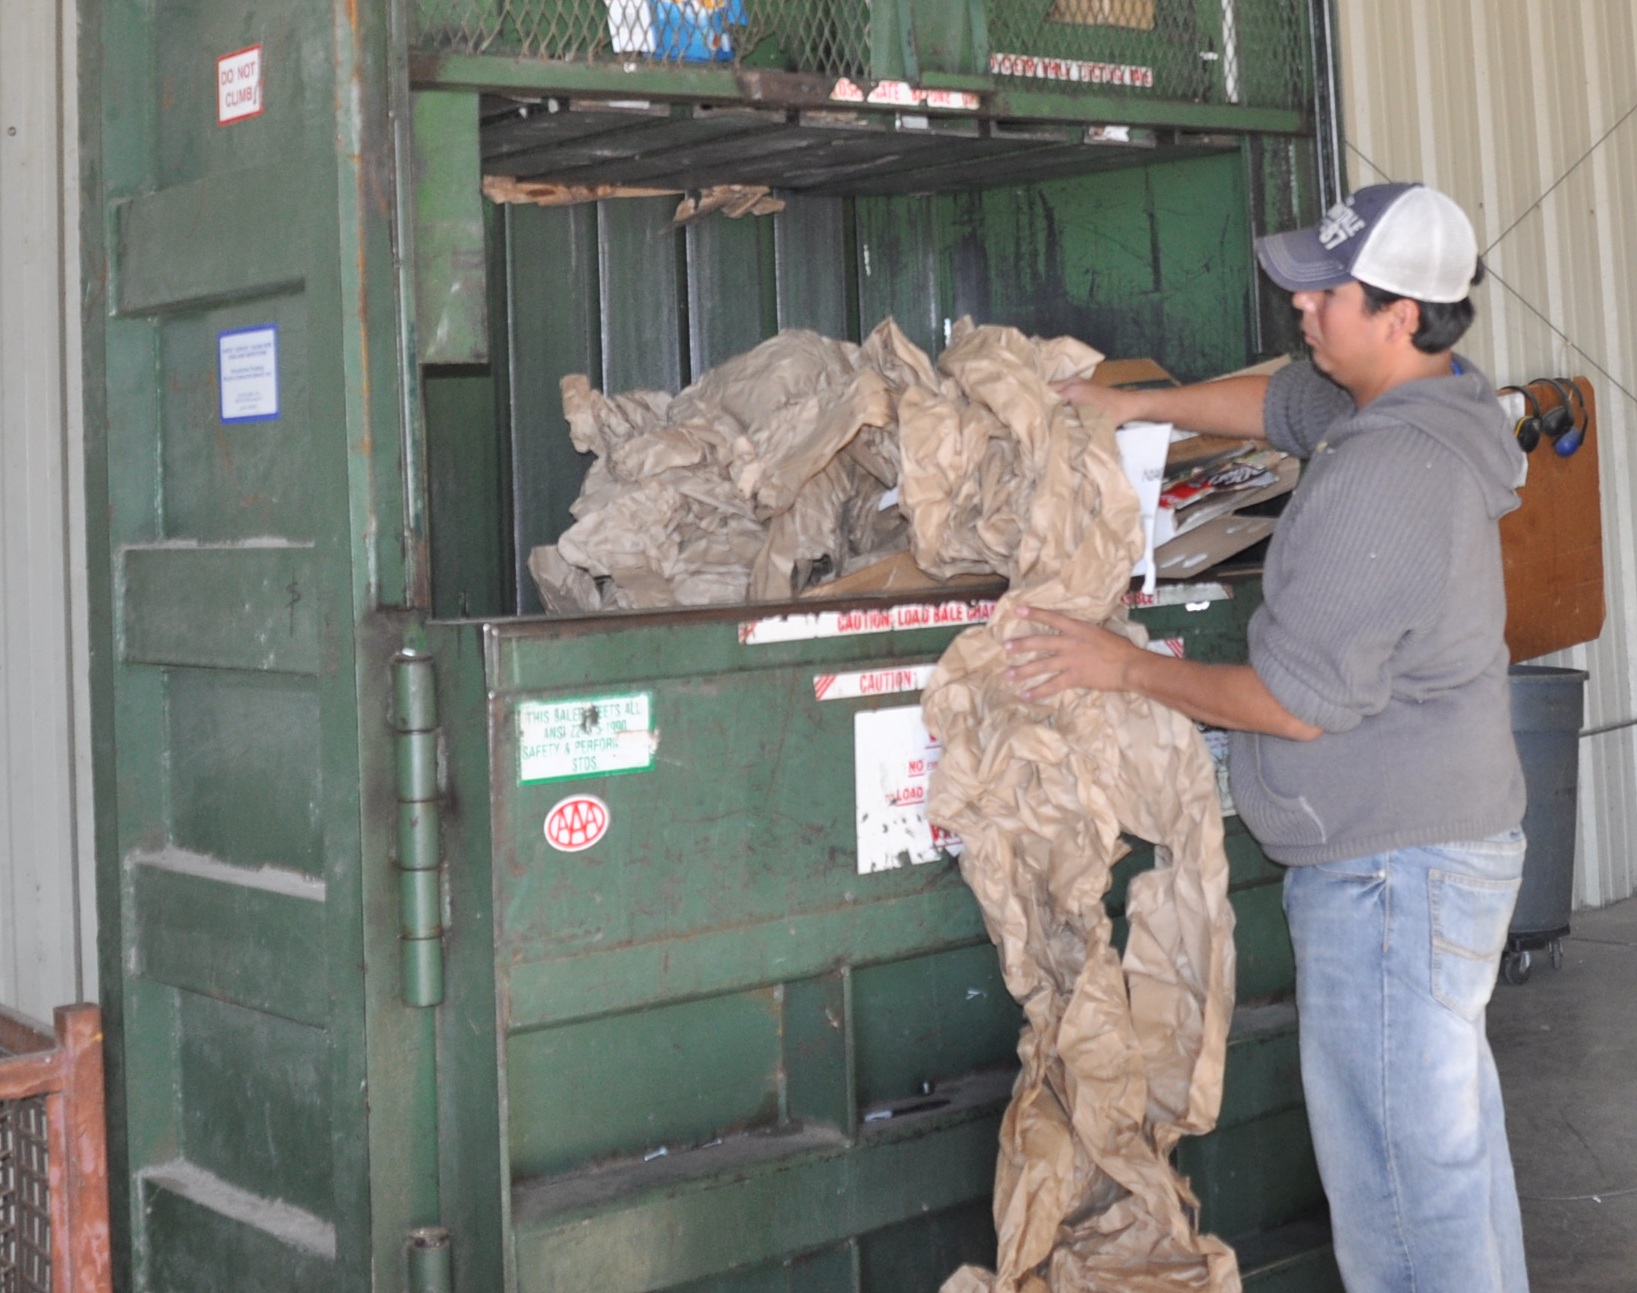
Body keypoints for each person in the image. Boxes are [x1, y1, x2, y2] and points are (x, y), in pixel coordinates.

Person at [1006, 182, 1530, 1293]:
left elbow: (1295, 701)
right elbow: (1282, 405)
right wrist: (1131, 407)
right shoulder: (1423, 406)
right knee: (1447, 1162)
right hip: (1436, 852)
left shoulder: (1387, 472)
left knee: (1401, 1199)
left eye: (1324, 292)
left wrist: (1124, 668)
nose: (1297, 304)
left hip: (1392, 871)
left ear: (1397, 316)